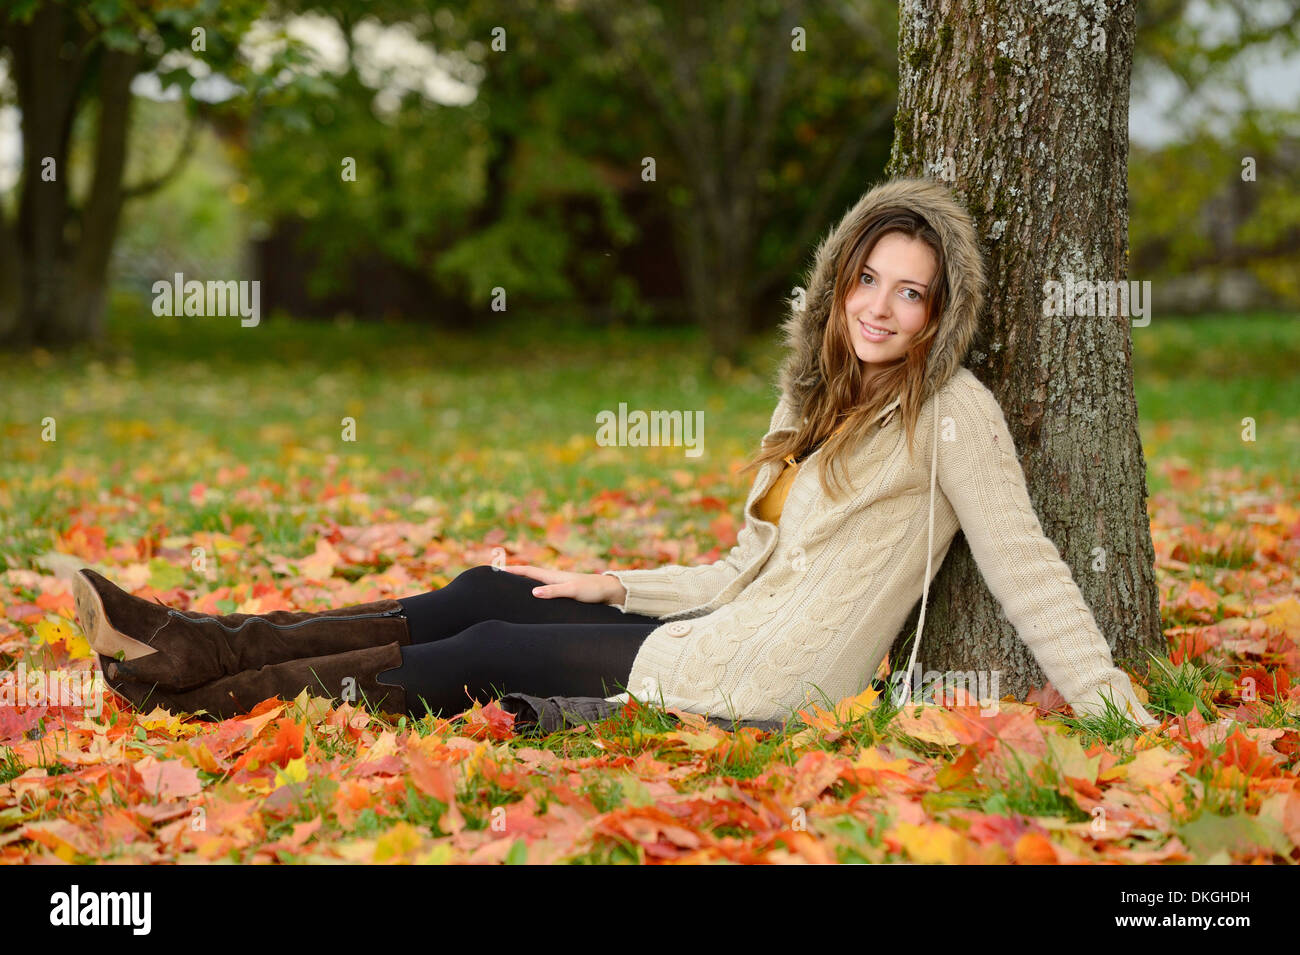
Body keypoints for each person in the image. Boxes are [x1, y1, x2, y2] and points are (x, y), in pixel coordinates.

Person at [75, 176, 1158, 730]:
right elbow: (745, 569)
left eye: (910, 291)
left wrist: (1114, 711)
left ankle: (201, 697)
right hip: (728, 617)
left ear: (938, 315)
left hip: (780, 673)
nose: (880, 306)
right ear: (840, 280)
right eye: (868, 277)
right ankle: (194, 639)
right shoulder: (812, 398)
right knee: (493, 585)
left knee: (484, 644)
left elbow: (1026, 567)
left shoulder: (951, 412)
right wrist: (618, 584)